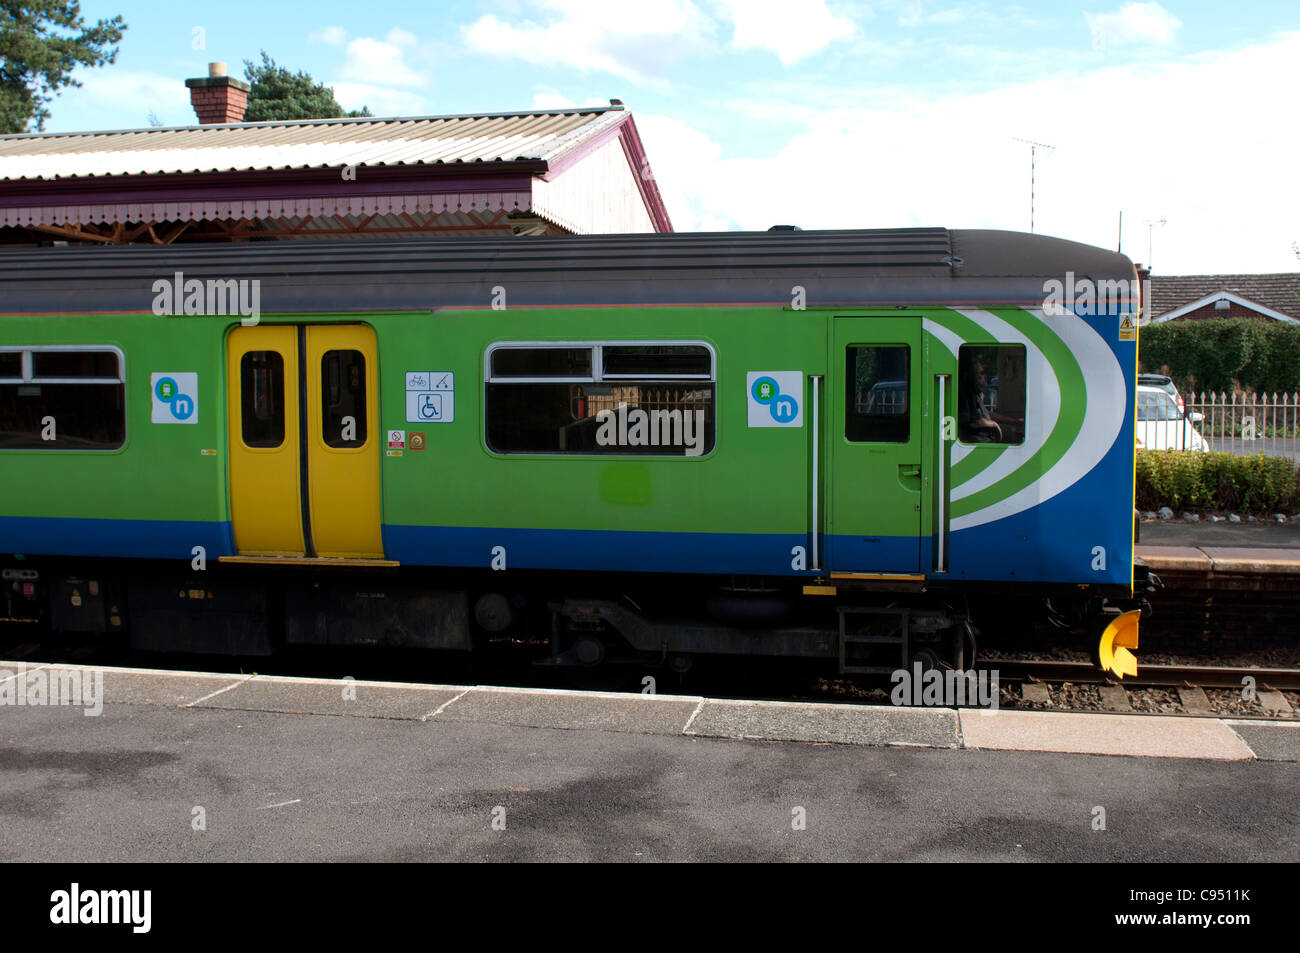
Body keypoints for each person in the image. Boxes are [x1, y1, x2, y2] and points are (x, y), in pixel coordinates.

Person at [960, 354, 1002, 442]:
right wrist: (994, 424)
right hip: (978, 439)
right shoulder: (967, 395)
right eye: (981, 373)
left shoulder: (975, 394)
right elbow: (975, 422)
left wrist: (1014, 421)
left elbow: (986, 414)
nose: (984, 377)